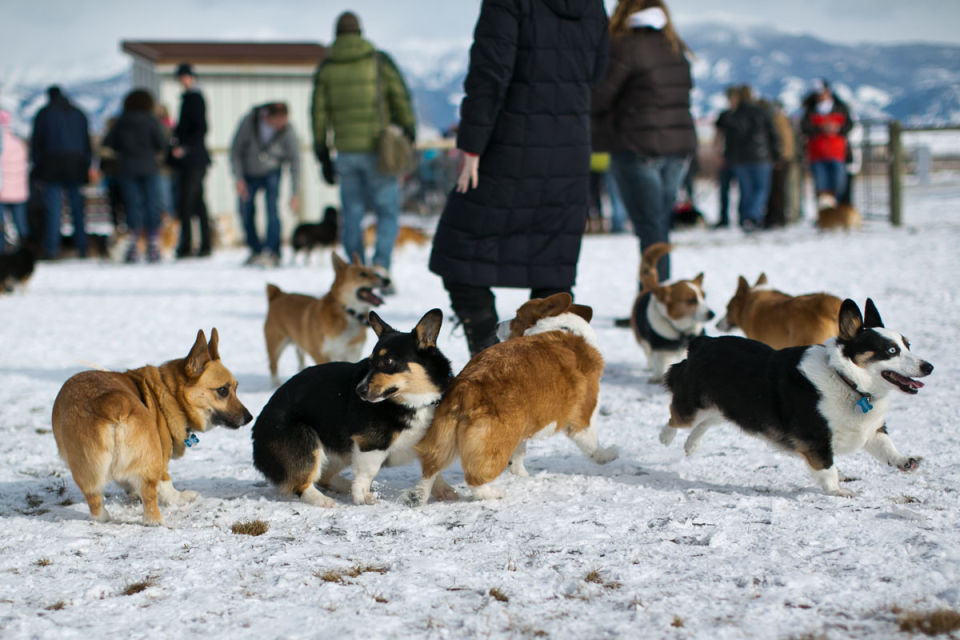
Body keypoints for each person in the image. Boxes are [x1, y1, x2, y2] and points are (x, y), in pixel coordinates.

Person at [429, 0, 609, 356]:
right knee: (551, 266)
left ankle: (488, 353)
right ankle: (537, 366)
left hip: (506, 146)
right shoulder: (592, 5)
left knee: (458, 253)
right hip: (570, 149)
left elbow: (489, 73)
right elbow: (599, 70)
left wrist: (471, 146)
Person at [592, 0, 696, 285]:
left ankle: (653, 299)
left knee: (650, 229)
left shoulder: (625, 45)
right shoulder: (673, 46)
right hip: (678, 148)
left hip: (637, 145)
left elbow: (598, 97)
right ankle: (658, 295)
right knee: (659, 226)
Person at [311, 11, 416, 284]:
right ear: (360, 32)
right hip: (380, 151)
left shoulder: (327, 68)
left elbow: (318, 114)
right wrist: (409, 130)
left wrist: (322, 153)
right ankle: (381, 266)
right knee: (386, 211)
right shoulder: (378, 61)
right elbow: (400, 98)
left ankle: (357, 270)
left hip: (345, 152)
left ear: (337, 34)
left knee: (352, 214)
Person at [230, 102, 301, 266]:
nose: (281, 125)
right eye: (278, 121)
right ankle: (255, 249)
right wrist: (239, 178)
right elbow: (236, 151)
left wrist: (295, 193)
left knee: (272, 210)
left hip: (272, 172)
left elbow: (295, 161)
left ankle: (273, 251)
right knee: (246, 210)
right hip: (249, 173)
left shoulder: (288, 130)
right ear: (268, 117)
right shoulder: (249, 123)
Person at [102, 89, 167, 262]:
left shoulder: (121, 121)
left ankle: (133, 244)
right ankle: (152, 244)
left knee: (132, 205)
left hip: (127, 168)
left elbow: (109, 143)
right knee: (151, 204)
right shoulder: (151, 121)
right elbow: (161, 143)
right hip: (148, 167)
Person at [30, 86, 92, 259]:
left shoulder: (44, 113)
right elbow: (86, 142)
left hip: (52, 165)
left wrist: (38, 166)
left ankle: (52, 249)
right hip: (76, 165)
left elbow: (37, 143)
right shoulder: (79, 113)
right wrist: (86, 165)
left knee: (54, 210)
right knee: (77, 209)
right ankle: (82, 247)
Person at [716, 85, 780, 231]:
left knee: (746, 190)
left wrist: (727, 156)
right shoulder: (761, 112)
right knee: (760, 189)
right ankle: (753, 216)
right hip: (761, 157)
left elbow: (728, 139)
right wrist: (776, 155)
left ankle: (745, 218)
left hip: (740, 159)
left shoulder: (732, 115)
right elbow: (772, 134)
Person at [170, 63, 211, 258]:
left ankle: (187, 245)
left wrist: (184, 147)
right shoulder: (189, 97)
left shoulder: (194, 98)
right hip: (195, 158)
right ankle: (204, 244)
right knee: (198, 203)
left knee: (187, 203)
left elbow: (200, 128)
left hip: (193, 160)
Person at [800, 78, 852, 200]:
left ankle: (837, 208)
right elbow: (804, 127)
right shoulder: (810, 109)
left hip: (837, 153)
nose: (820, 96)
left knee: (839, 186)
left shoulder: (840, 107)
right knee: (821, 188)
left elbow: (849, 125)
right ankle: (824, 209)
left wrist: (837, 128)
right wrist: (820, 128)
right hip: (817, 154)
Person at [0, 110, 30, 251]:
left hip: (2, 191)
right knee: (21, 224)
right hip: (18, 191)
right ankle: (25, 252)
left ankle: (2, 253)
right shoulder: (19, 143)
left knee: (1, 226)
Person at [763, 98, 795, 228]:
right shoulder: (783, 120)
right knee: (778, 189)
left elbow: (784, 141)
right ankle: (777, 217)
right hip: (782, 158)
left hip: (780, 160)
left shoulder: (778, 120)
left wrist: (779, 158)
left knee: (777, 189)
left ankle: (777, 217)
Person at [713, 86, 740, 229]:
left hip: (740, 158)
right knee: (724, 190)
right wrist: (718, 154)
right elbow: (718, 136)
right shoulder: (724, 116)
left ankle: (743, 217)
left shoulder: (743, 115)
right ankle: (724, 217)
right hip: (726, 157)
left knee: (743, 190)